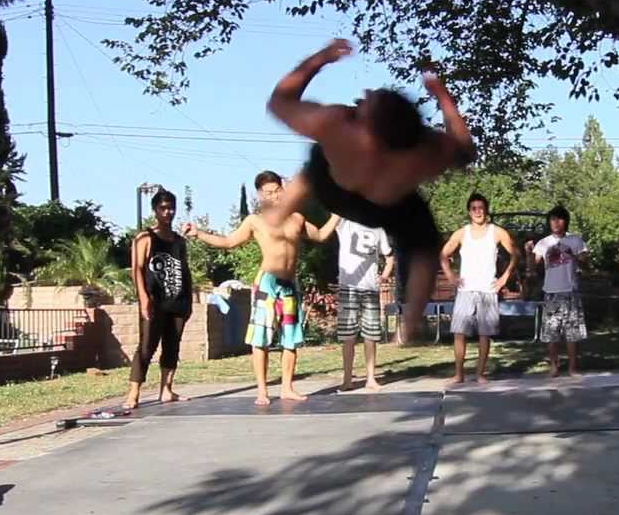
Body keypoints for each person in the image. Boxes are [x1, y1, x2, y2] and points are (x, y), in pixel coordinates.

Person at [261, 38, 477, 343]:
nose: (361, 97)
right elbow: (466, 150)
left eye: (363, 103)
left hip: (333, 188)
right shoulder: (425, 150)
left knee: (316, 161)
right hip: (388, 204)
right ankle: (411, 323)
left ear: (366, 125)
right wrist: (441, 94)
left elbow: (279, 102)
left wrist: (319, 59)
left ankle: (281, 210)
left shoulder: (337, 124)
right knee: (425, 246)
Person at [185, 172, 339, 405]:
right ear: (260, 196)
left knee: (291, 338)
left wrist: (338, 214)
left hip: (290, 285)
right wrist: (199, 234)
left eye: (277, 191)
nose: (274, 196)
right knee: (261, 338)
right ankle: (262, 391)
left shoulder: (297, 218)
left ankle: (287, 388)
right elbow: (229, 242)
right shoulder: (255, 221)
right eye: (268, 193)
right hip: (267, 283)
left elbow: (321, 234)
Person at [125, 188, 193, 410]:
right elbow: (137, 269)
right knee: (147, 347)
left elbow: (185, 271)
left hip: (178, 302)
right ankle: (134, 393)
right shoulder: (144, 238)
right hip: (155, 301)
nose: (167, 212)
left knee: (172, 346)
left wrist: (188, 301)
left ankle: (166, 389)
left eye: (171, 208)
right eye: (163, 208)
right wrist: (144, 298)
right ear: (155, 210)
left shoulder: (179, 241)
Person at [440, 193, 517, 384]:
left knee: (485, 334)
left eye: (481, 208)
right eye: (474, 208)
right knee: (459, 333)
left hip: (488, 290)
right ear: (469, 211)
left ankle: (480, 374)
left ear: (486, 210)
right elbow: (443, 254)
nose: (478, 212)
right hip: (466, 290)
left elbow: (515, 254)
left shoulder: (497, 232)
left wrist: (504, 278)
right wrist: (450, 275)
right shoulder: (461, 233)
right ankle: (459, 374)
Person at [525, 206, 590, 377]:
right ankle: (554, 366)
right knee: (551, 332)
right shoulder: (543, 243)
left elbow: (586, 264)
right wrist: (528, 253)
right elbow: (532, 268)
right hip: (551, 292)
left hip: (571, 291)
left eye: (559, 219)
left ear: (565, 221)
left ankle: (573, 368)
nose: (556, 222)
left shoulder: (575, 241)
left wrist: (573, 255)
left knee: (572, 333)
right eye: (553, 219)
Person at [335, 216, 396, 391]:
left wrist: (384, 275)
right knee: (348, 336)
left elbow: (389, 256)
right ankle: (347, 379)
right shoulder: (344, 223)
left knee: (370, 335)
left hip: (370, 288)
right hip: (348, 287)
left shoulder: (378, 228)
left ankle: (371, 378)